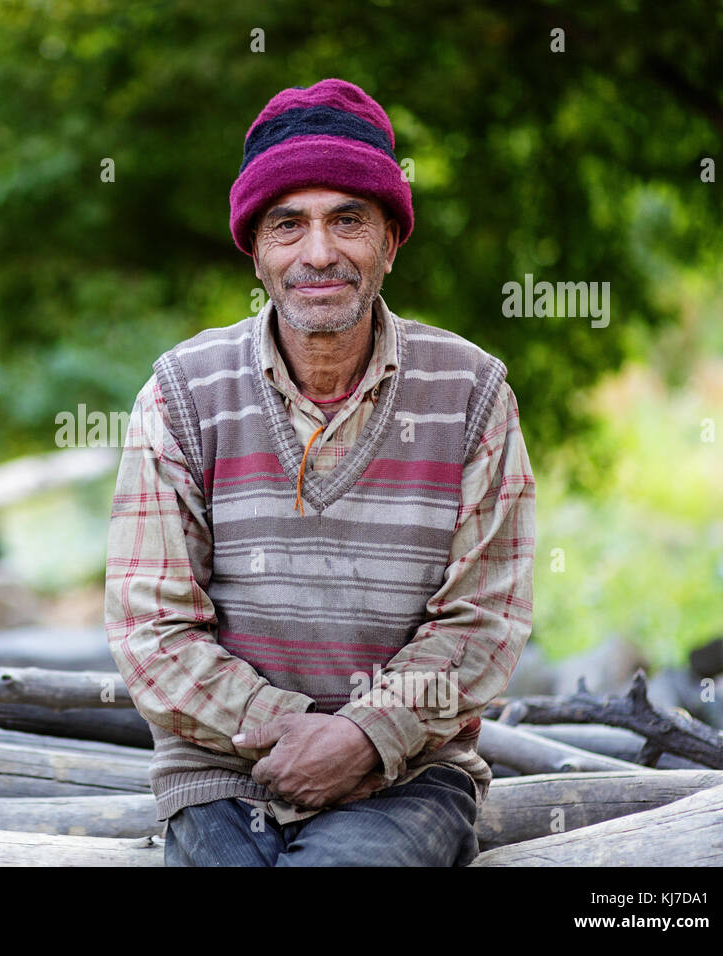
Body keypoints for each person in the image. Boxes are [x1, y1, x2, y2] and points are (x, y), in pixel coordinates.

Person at [104, 78, 536, 866]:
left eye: (348, 220)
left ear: (391, 242)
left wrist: (364, 737)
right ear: (256, 250)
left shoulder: (472, 394)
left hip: (412, 777)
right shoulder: (181, 394)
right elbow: (151, 628)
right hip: (224, 775)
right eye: (288, 224)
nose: (319, 252)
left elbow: (482, 624)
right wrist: (293, 730)